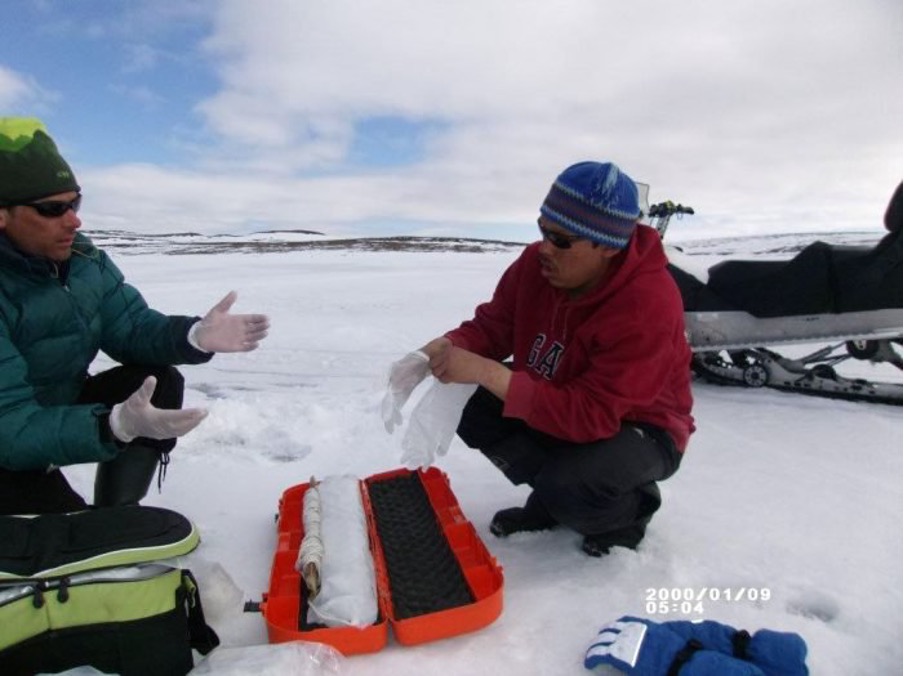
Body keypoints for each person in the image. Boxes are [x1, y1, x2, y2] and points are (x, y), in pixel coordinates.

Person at [386, 161, 694, 556]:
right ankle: (552, 499)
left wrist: (488, 371)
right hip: (563, 394)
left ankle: (625, 515)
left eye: (561, 240)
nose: (543, 248)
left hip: (642, 427)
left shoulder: (647, 304)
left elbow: (592, 415)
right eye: (542, 231)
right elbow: (494, 326)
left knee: (576, 483)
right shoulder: (536, 266)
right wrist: (442, 349)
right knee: (472, 402)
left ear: (607, 246)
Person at [0, 117, 270, 515]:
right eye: (53, 209)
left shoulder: (83, 261)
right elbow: (9, 425)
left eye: (75, 203)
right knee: (71, 546)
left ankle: (117, 512)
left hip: (48, 410)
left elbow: (130, 327)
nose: (74, 220)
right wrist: (113, 426)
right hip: (9, 436)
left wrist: (194, 335)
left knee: (157, 379)